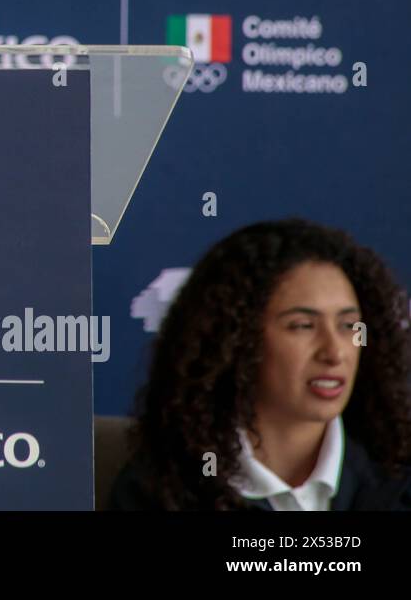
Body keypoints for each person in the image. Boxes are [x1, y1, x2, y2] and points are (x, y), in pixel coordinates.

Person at [109, 218, 411, 510]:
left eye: (348, 326)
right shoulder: (159, 491)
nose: (334, 353)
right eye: (302, 325)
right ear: (236, 339)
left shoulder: (398, 475)